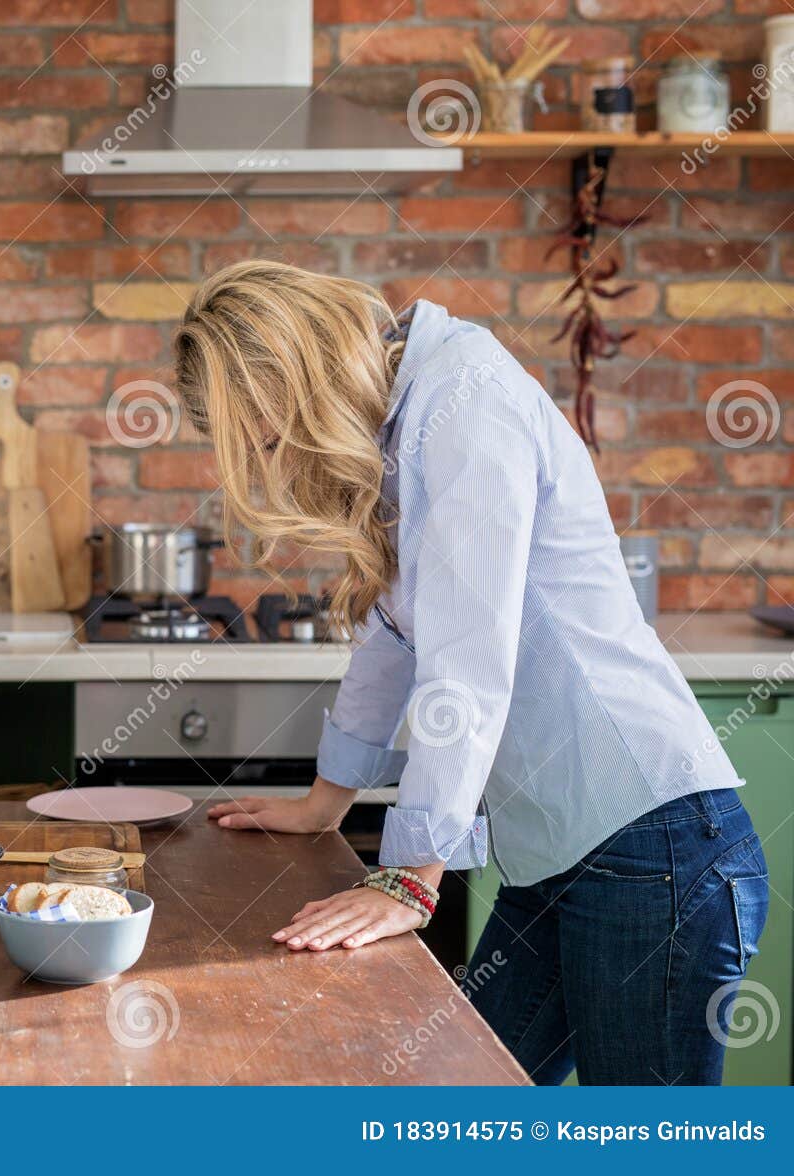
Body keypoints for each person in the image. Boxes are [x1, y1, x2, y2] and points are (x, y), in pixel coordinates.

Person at [173, 260, 768, 1085]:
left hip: (654, 849)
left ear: (293, 373)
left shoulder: (463, 402)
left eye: (269, 433)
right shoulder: (404, 417)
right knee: (456, 1110)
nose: (280, 455)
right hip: (558, 856)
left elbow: (467, 655)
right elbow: (394, 634)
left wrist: (412, 880)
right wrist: (324, 803)